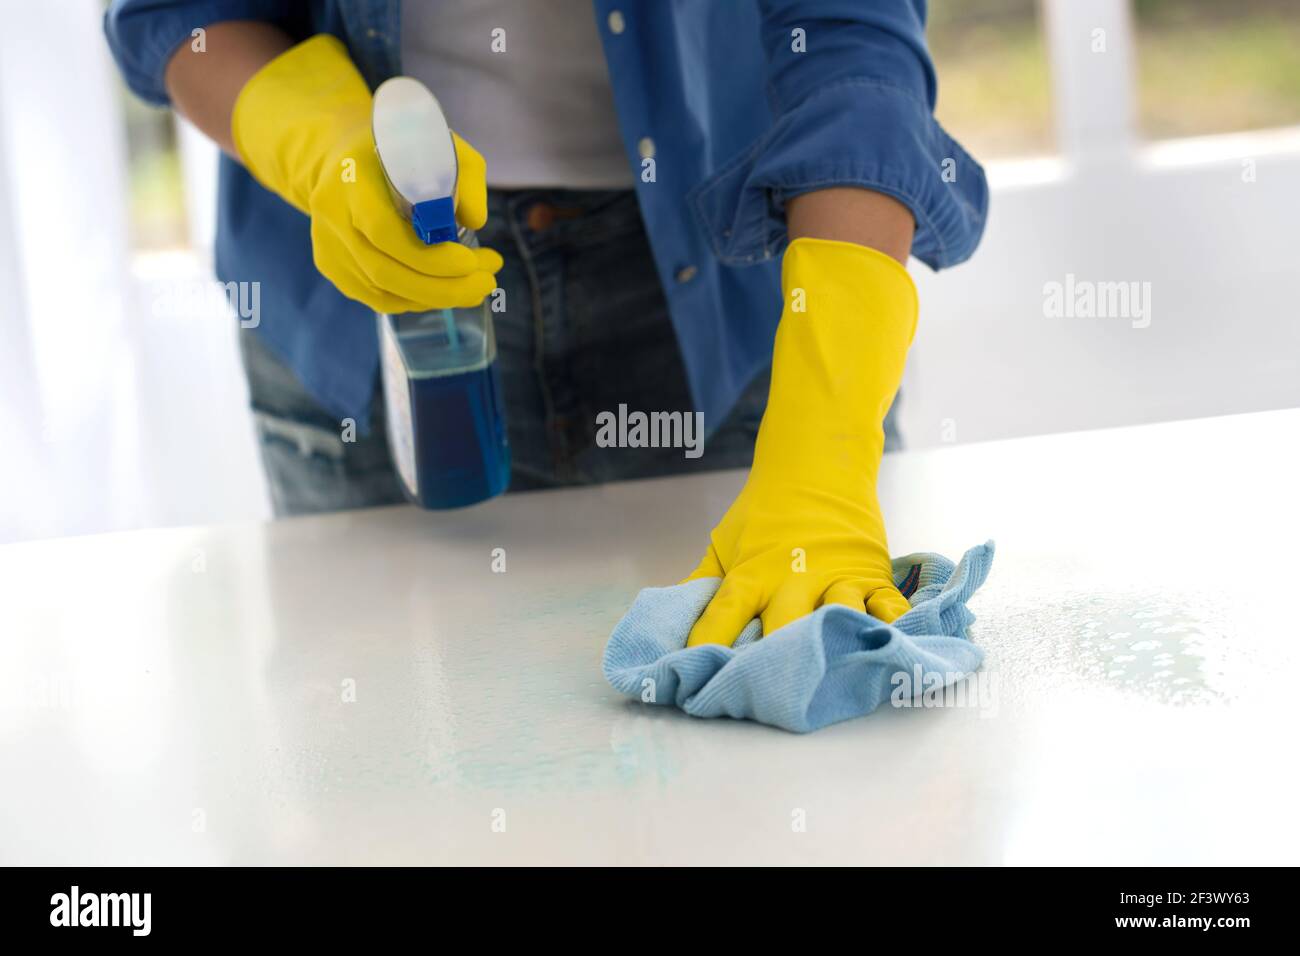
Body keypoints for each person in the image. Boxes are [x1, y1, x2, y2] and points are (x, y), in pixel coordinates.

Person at [105, 0, 987, 646]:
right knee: (382, 780)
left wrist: (824, 447)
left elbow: (849, 38)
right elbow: (179, 15)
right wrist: (319, 140)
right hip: (359, 314)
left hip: (726, 307)